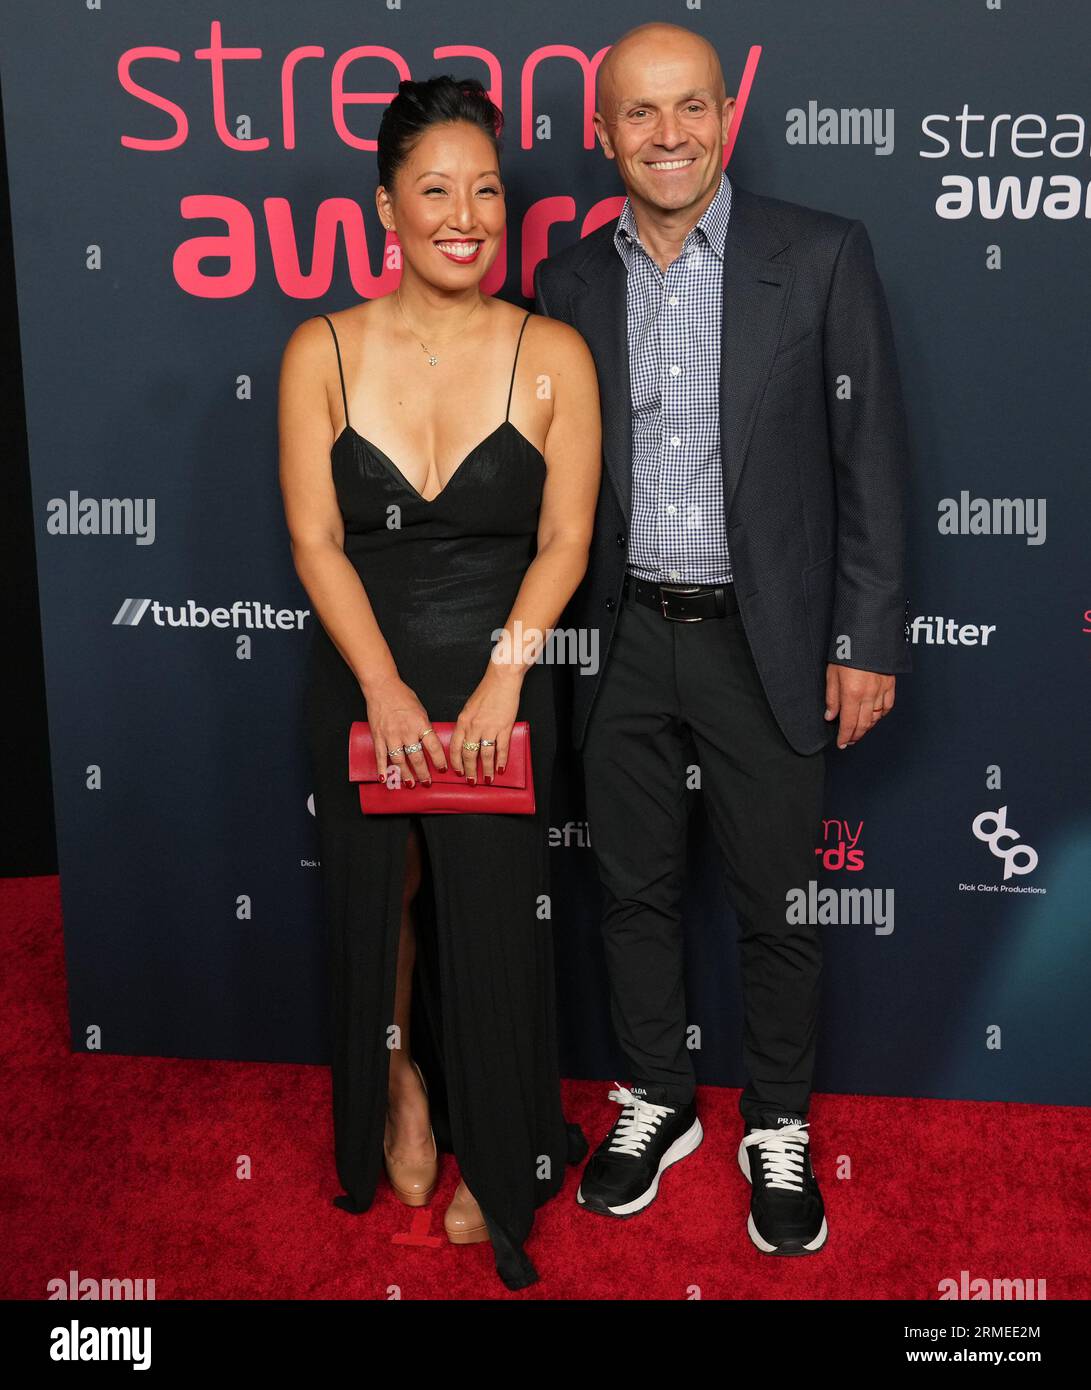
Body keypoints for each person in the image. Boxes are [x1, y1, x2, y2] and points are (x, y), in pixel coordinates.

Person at [534, 22, 911, 1255]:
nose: (668, 136)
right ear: (603, 136)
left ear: (724, 118)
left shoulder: (818, 257)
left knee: (778, 902)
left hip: (770, 639)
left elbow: (871, 466)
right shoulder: (573, 282)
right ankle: (654, 1095)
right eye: (638, 115)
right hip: (623, 634)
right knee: (631, 890)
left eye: (689, 107)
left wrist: (862, 634)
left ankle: (778, 1121)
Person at [278, 75, 601, 1290]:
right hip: (365, 671)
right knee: (384, 893)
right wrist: (383, 687)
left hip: (502, 675)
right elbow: (316, 541)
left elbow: (564, 541)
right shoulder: (318, 348)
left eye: (485, 191)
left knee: (491, 905)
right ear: (386, 207)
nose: (464, 215)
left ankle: (500, 1141)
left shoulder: (551, 349)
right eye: (434, 190)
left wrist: (508, 680)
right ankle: (400, 1087)